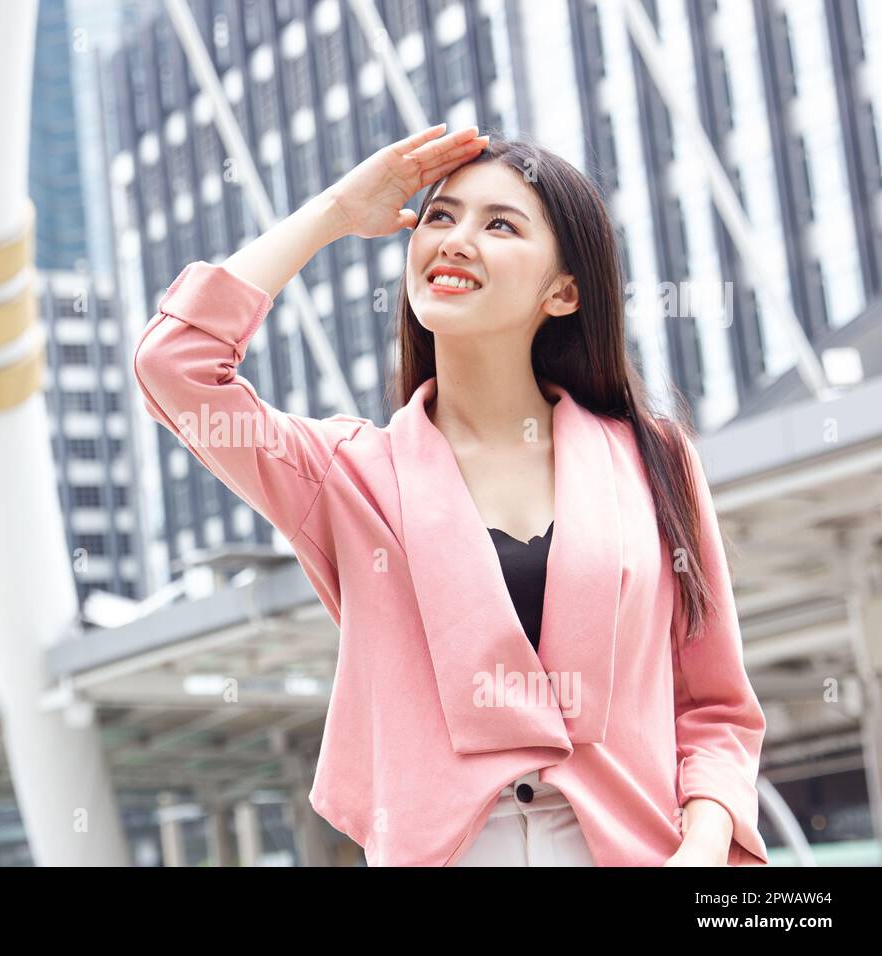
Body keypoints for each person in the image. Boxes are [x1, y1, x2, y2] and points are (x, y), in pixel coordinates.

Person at [132, 123, 768, 867]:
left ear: (564, 291)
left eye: (500, 224)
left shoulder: (653, 460)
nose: (456, 239)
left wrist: (702, 846)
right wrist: (338, 210)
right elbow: (176, 364)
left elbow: (715, 706)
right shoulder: (349, 475)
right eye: (441, 216)